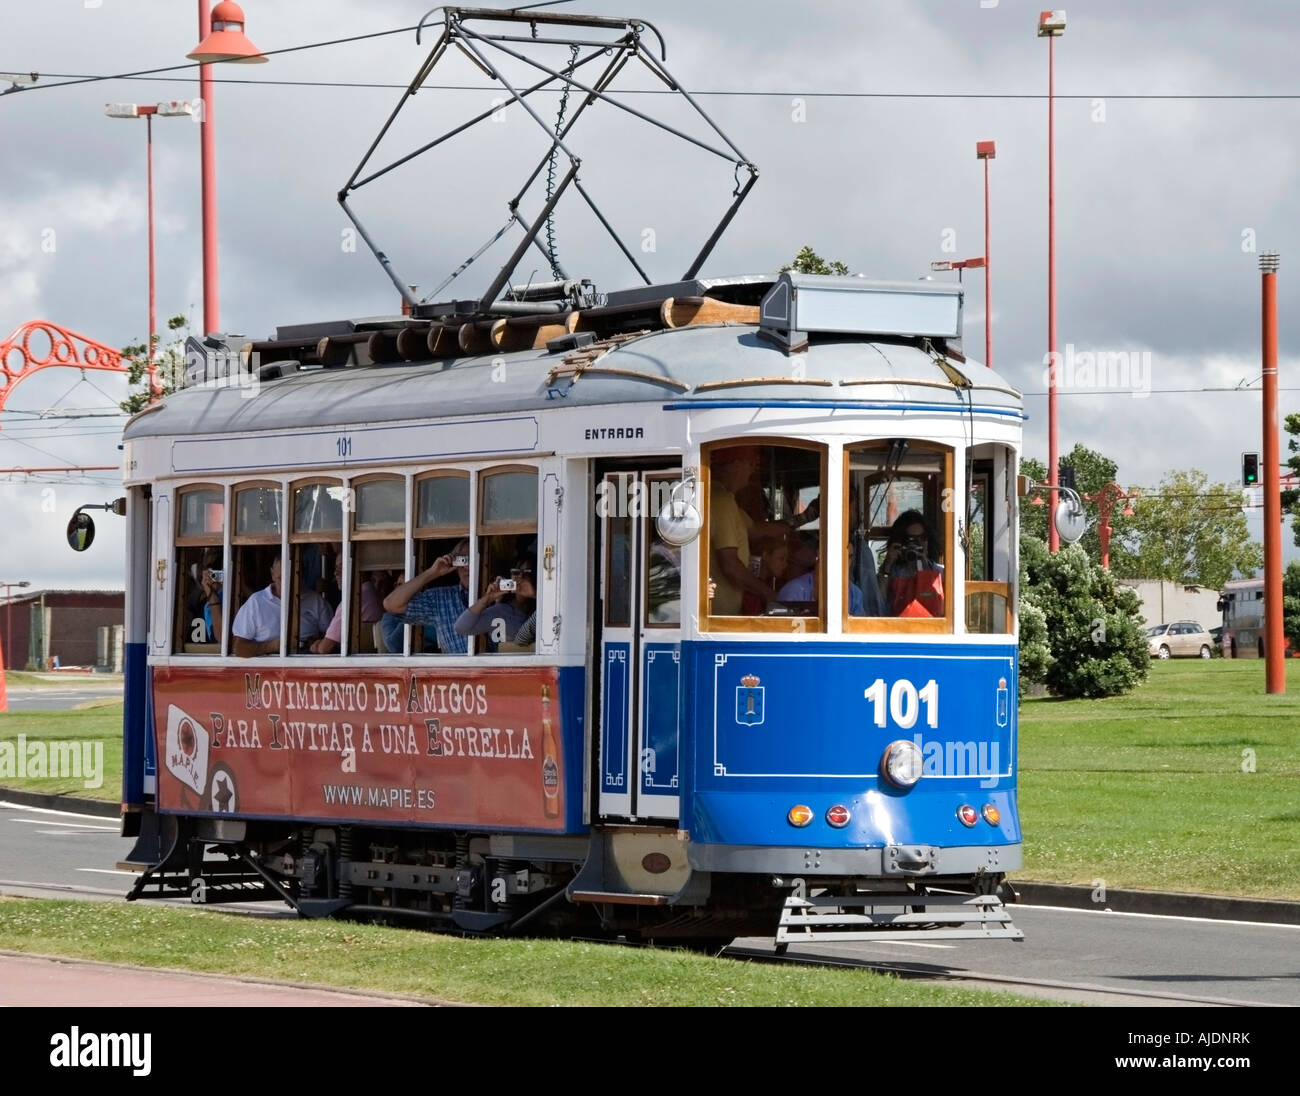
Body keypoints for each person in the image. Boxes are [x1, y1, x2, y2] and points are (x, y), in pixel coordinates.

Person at [709, 446, 788, 615]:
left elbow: (756, 530)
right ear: (736, 464)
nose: (753, 470)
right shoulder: (722, 502)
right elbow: (730, 565)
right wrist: (767, 592)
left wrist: (799, 522)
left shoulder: (725, 500)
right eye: (751, 463)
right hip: (718, 616)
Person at [382, 539, 473, 654]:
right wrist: (433, 572)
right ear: (455, 564)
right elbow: (391, 604)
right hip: (460, 670)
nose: (468, 567)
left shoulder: (498, 593)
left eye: (473, 560)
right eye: (463, 560)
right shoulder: (442, 599)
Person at [455, 555, 536, 650]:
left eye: (527, 573)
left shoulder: (544, 605)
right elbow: (461, 627)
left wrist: (535, 595)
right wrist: (488, 598)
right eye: (516, 572)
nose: (521, 577)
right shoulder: (501, 611)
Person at [878, 510, 945, 617]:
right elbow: (878, 603)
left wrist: (925, 567)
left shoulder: (940, 573)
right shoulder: (892, 572)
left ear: (928, 540)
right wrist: (888, 563)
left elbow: (949, 610)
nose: (918, 544)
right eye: (912, 540)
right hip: (898, 629)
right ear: (901, 542)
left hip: (932, 630)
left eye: (922, 538)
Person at [232, 554, 283, 657]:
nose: (286, 584)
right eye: (280, 579)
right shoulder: (256, 602)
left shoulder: (314, 600)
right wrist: (271, 646)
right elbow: (239, 648)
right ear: (272, 574)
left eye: (291, 578)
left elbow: (325, 641)